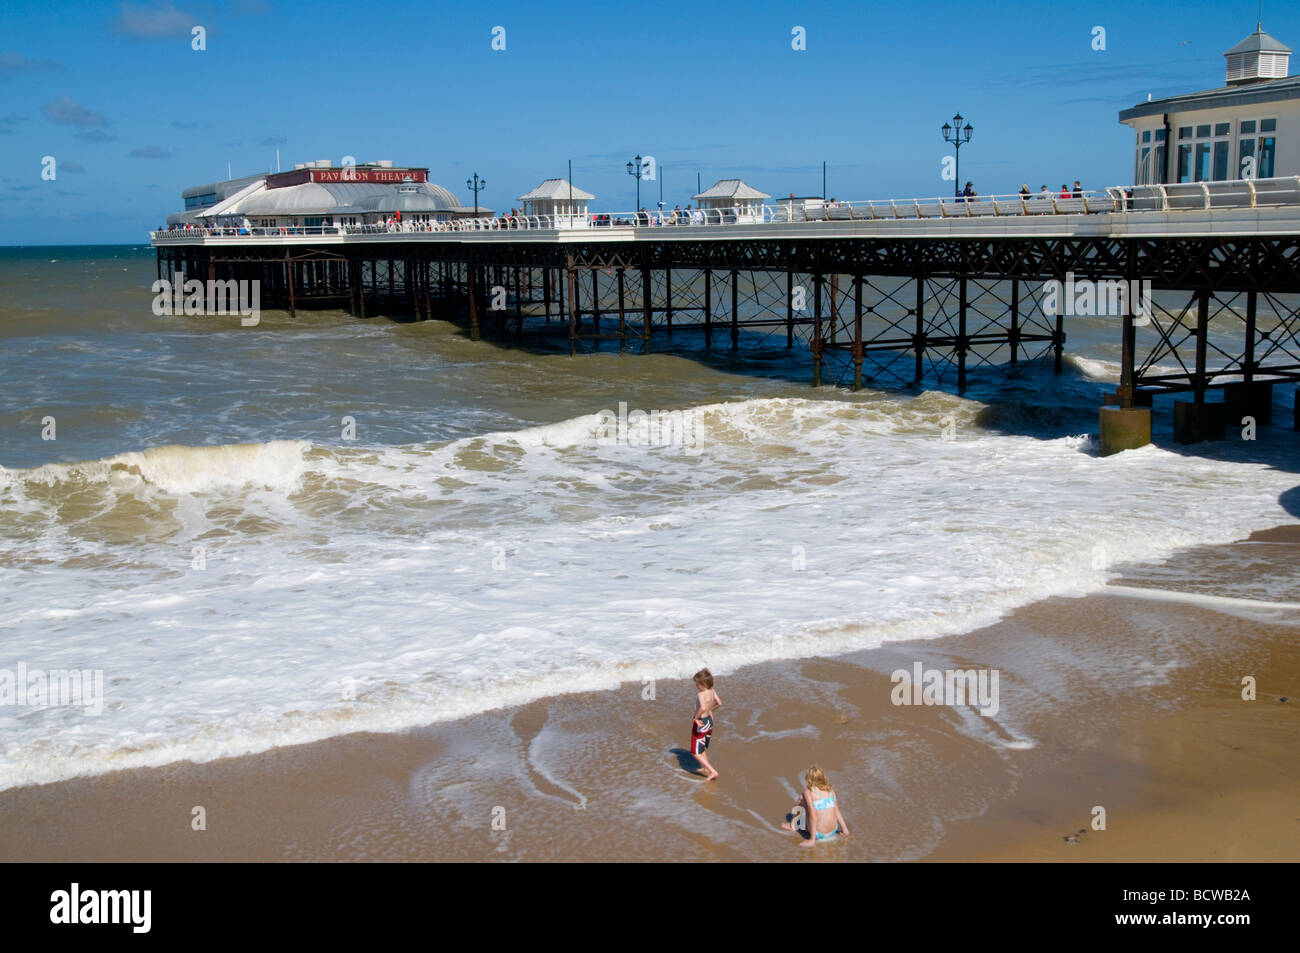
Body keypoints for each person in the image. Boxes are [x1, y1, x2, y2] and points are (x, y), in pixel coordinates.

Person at [781, 765, 850, 847]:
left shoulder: (809, 792)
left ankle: (793, 825)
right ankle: (843, 830)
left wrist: (812, 839)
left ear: (808, 779)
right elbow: (837, 811)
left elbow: (813, 816)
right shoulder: (830, 790)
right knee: (827, 807)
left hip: (819, 834)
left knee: (801, 800)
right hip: (833, 830)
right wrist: (845, 830)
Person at [689, 668, 722, 780]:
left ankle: (712, 771)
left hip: (701, 723)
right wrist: (711, 710)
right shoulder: (712, 691)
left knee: (695, 752)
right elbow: (719, 703)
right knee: (702, 747)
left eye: (697, 684)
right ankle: (705, 768)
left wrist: (695, 718)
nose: (696, 686)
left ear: (702, 684)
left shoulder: (701, 695)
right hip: (709, 721)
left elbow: (702, 707)